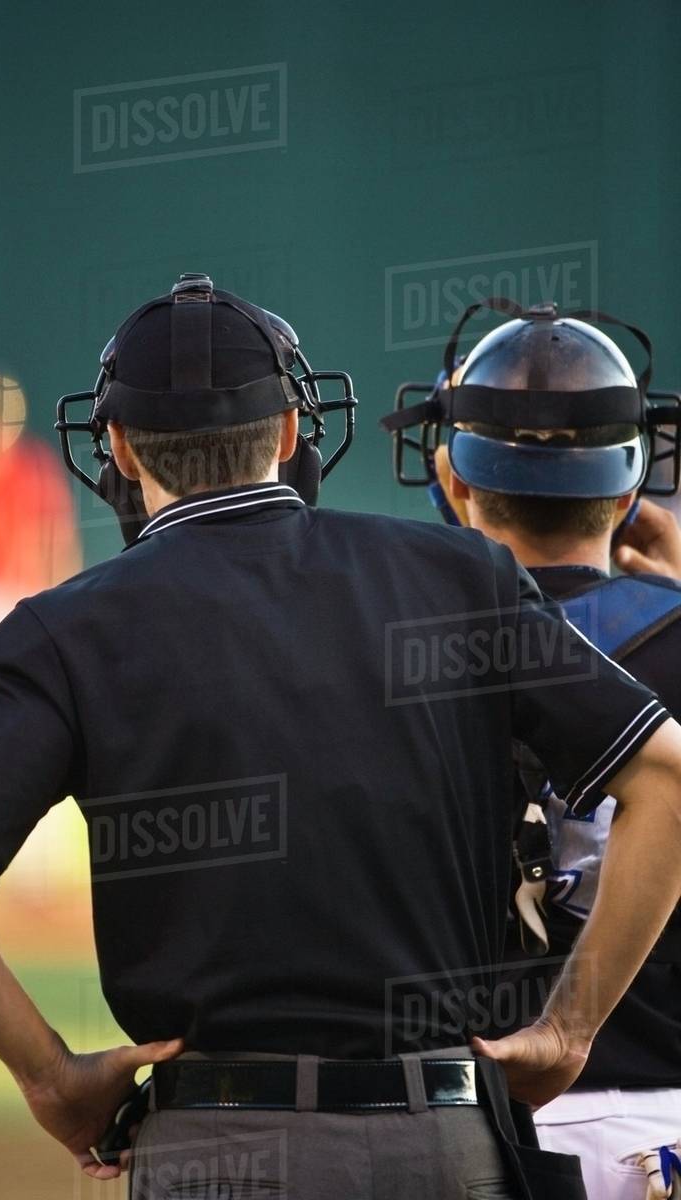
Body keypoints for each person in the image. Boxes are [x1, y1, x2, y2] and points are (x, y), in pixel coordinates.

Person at [0, 276, 681, 1200]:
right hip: (443, 1140)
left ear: (115, 445)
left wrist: (51, 1078)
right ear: (293, 433)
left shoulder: (62, 630)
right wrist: (570, 1029)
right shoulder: (458, 575)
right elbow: (663, 777)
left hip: (211, 1147)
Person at [382, 295, 681, 1200]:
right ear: (631, 490)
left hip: (450, 1126)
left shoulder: (381, 653)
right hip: (661, 1125)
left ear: (454, 478)